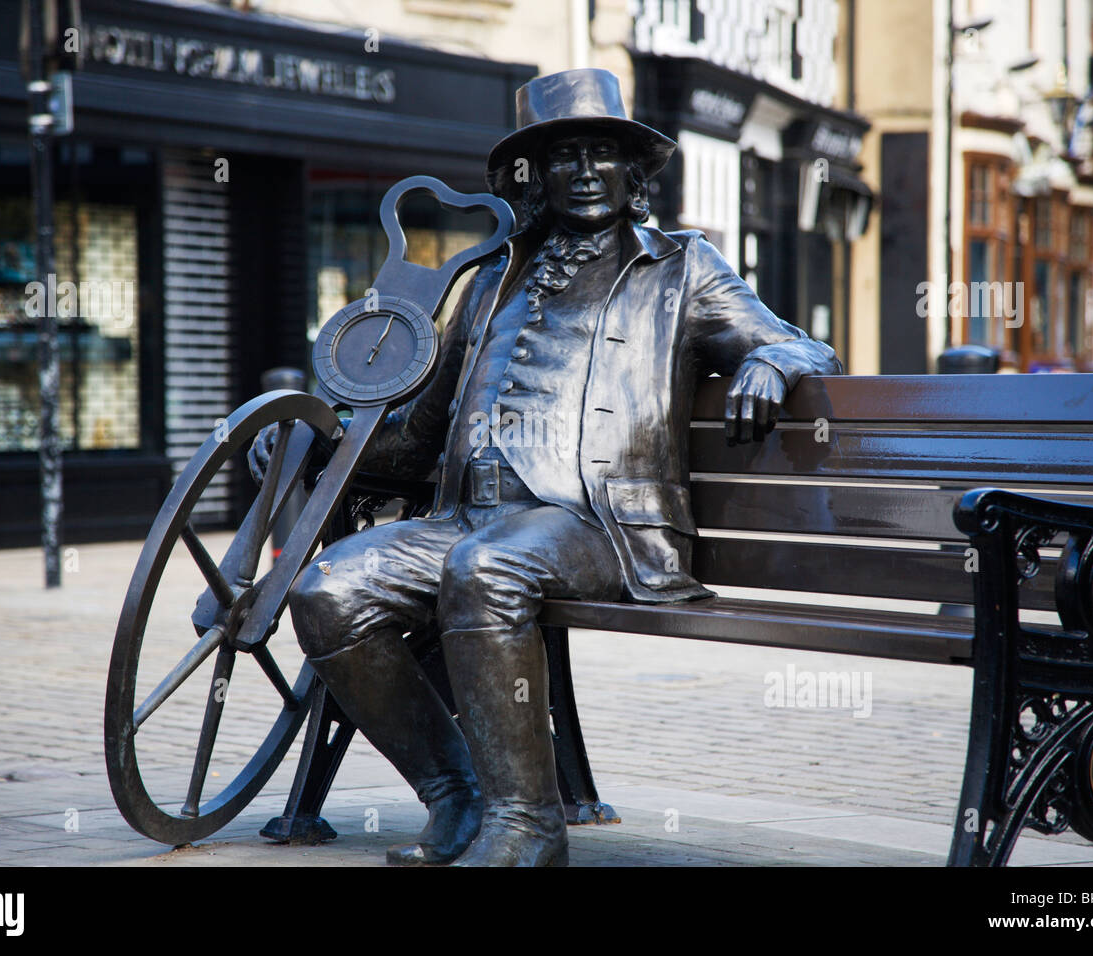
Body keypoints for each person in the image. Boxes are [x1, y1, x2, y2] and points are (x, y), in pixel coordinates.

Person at [251, 69, 841, 866]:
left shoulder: (681, 267)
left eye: (604, 154)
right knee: (328, 591)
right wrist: (318, 445)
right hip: (470, 521)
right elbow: (416, 438)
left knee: (486, 570)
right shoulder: (492, 282)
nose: (587, 171)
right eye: (566, 157)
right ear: (536, 176)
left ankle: (528, 826)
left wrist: (772, 366)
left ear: (636, 172)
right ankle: (455, 795)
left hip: (597, 526)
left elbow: (796, 341)